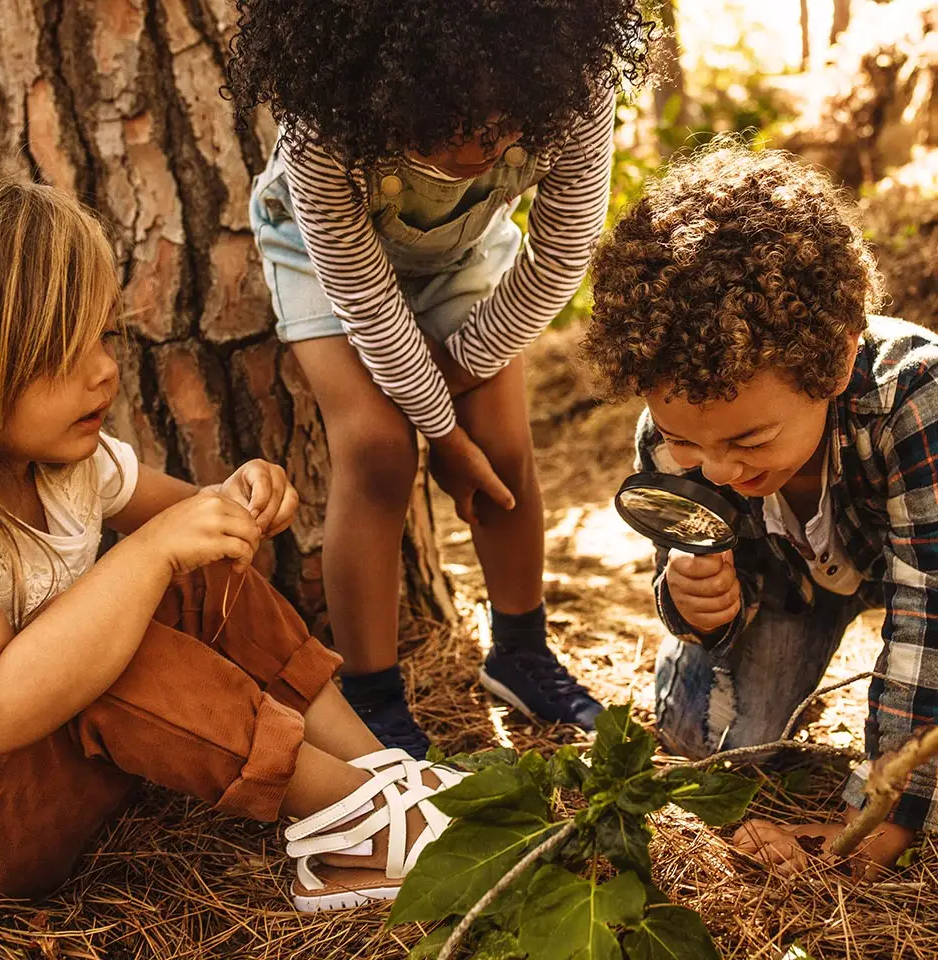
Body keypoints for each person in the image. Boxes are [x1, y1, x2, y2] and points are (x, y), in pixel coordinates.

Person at [0, 162, 465, 911]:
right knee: (116, 645)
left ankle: (378, 774)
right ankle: (354, 822)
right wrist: (151, 550)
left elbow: (199, 522)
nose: (104, 371)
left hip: (63, 772)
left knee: (199, 571)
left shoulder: (72, 467)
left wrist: (239, 498)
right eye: (62, 353)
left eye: (104, 337)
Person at [226, 0, 654, 756]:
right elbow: (365, 300)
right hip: (325, 261)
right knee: (377, 449)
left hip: (463, 254)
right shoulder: (324, 119)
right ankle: (373, 697)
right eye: (445, 124)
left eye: (501, 124)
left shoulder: (574, 84)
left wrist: (455, 392)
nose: (477, 148)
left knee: (505, 447)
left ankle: (521, 653)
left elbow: (560, 258)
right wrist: (442, 437)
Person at [584, 143, 936, 876]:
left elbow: (927, 614)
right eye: (687, 441)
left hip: (914, 566)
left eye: (749, 440)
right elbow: (686, 576)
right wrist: (698, 606)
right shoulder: (671, 440)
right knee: (703, 742)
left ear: (836, 361)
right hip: (789, 588)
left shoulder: (916, 403)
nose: (716, 469)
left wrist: (882, 811)